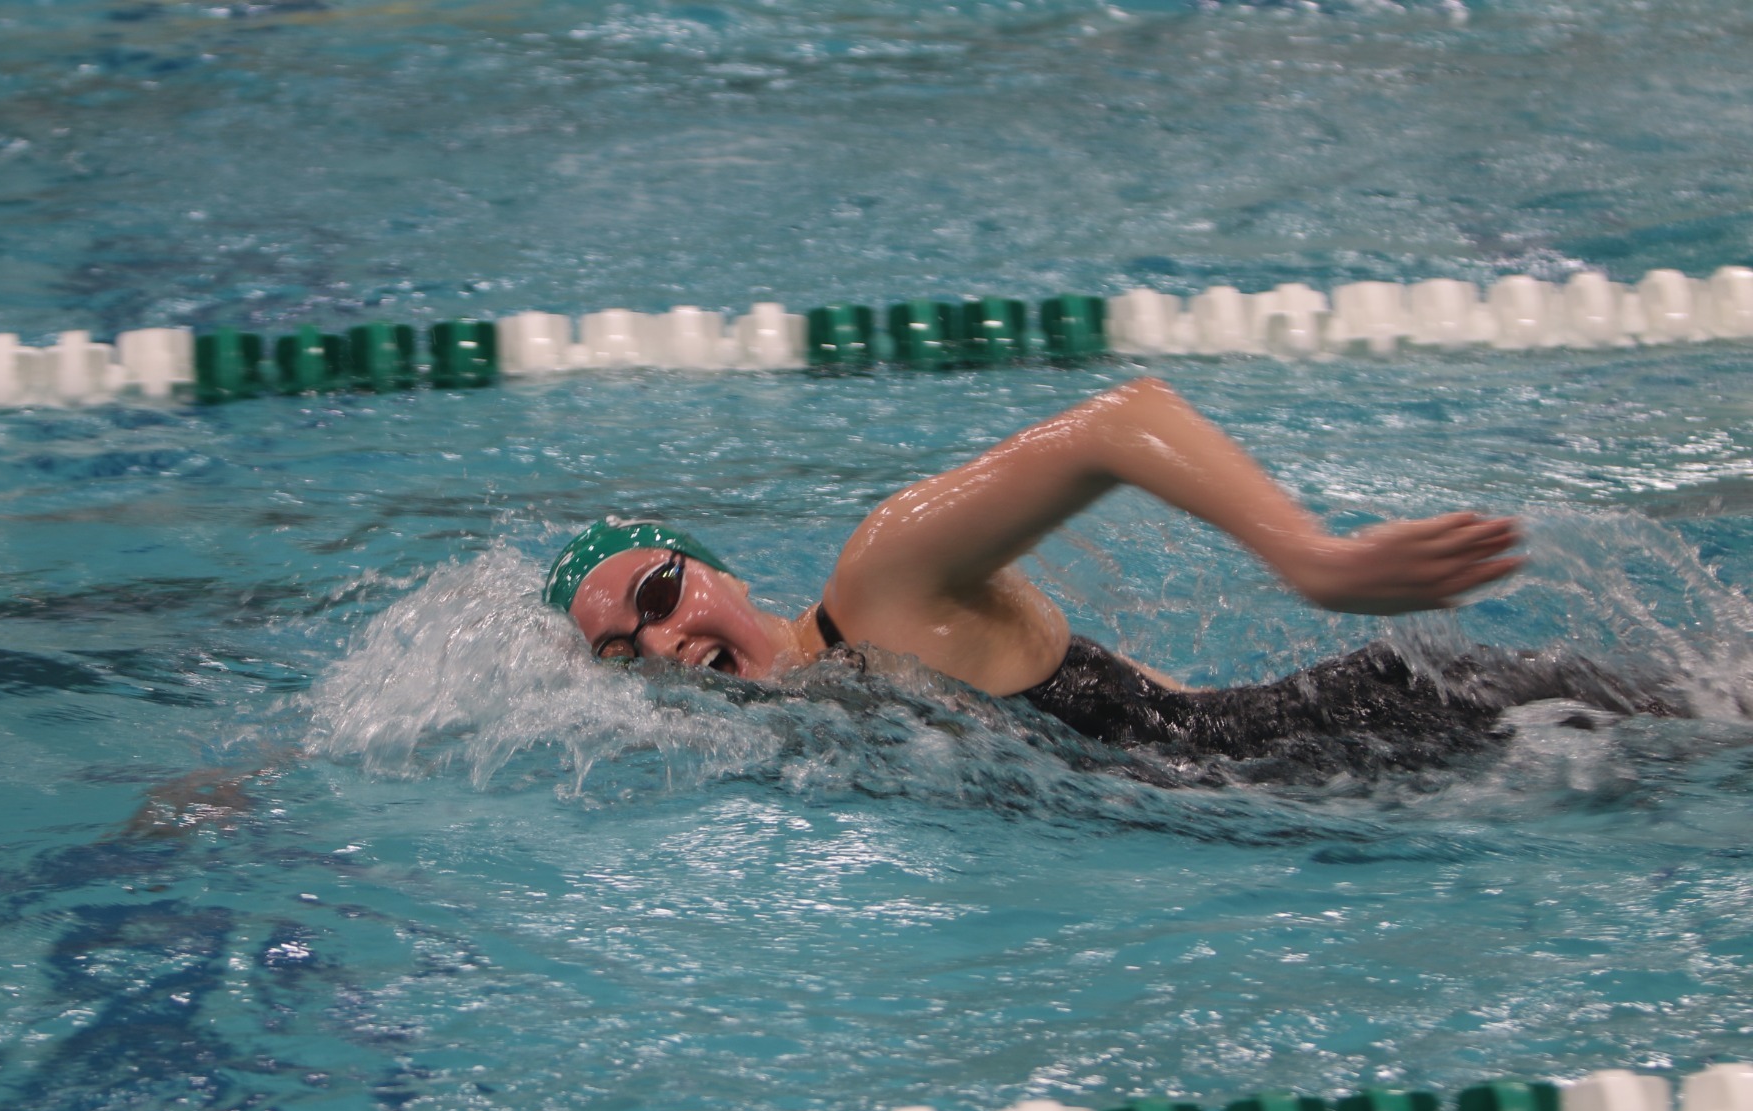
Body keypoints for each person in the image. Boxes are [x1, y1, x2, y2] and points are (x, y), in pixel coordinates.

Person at [543, 378, 1677, 765]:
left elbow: (1119, 422)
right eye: (623, 652)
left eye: (659, 594)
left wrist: (1316, 563)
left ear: (725, 574)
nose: (660, 639)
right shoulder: (811, 723)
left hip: (1390, 734)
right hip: (1344, 798)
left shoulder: (878, 583)